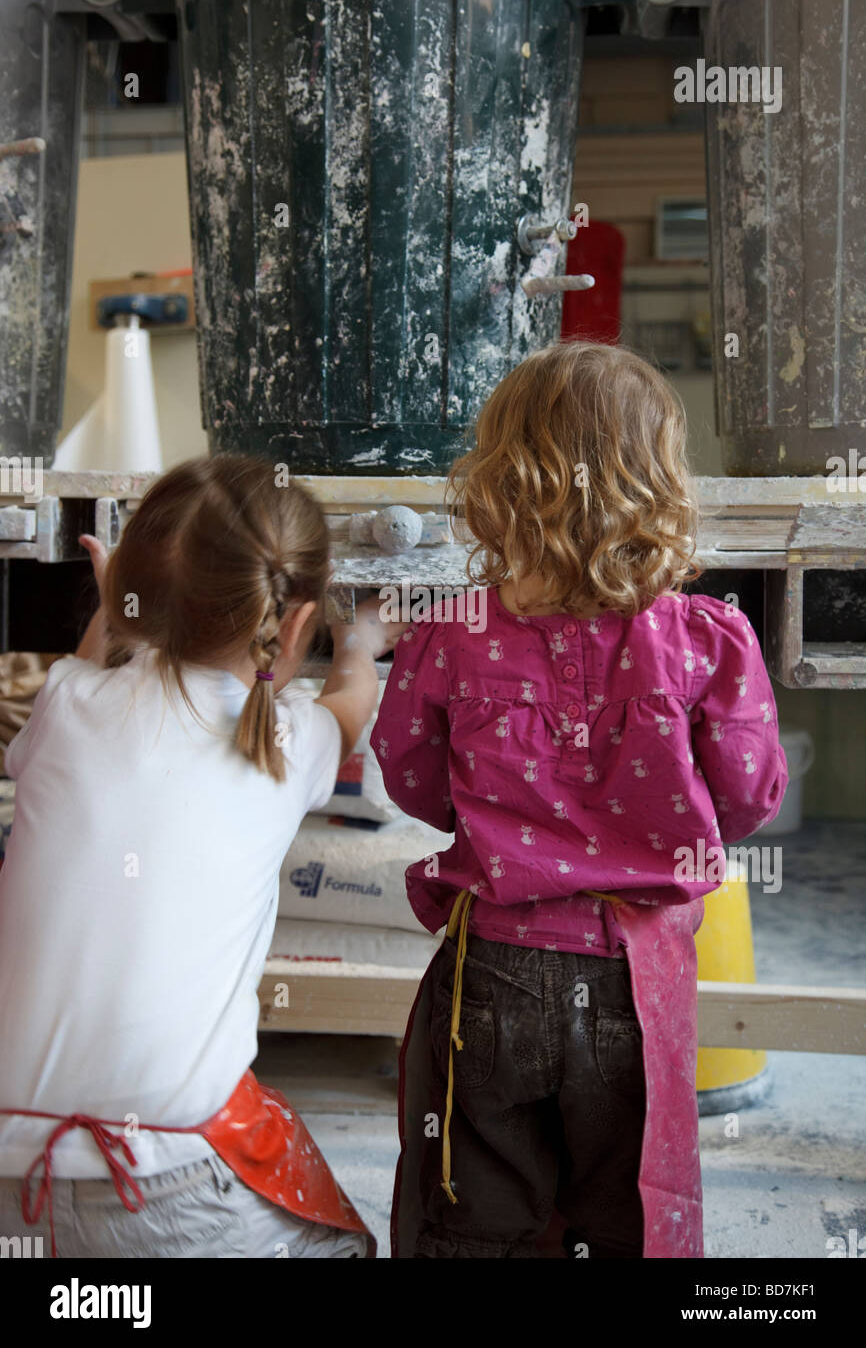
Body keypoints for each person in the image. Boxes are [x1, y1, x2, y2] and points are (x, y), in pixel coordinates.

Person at [373, 340, 789, 1259]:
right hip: (632, 981)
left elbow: (409, 776)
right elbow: (752, 796)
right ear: (660, 482)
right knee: (626, 1210)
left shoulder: (452, 634)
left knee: (478, 1207)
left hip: (494, 969)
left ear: (498, 480)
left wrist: (499, 813)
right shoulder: (705, 640)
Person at [0, 455, 405, 1258]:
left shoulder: (65, 702)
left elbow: (91, 670)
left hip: (14, 1185)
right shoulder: (289, 740)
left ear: (124, 605)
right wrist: (360, 637)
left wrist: (122, 610)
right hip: (173, 1192)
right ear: (292, 626)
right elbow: (351, 702)